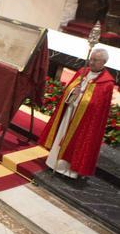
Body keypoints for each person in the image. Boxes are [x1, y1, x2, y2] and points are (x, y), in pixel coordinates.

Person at [39, 49, 115, 179]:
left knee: (76, 143)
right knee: (61, 136)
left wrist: (83, 97)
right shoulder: (82, 72)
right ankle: (53, 163)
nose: (91, 62)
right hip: (70, 112)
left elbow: (98, 108)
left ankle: (67, 171)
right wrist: (73, 92)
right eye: (90, 59)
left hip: (84, 122)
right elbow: (67, 92)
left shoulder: (107, 83)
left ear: (104, 62)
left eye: (95, 60)